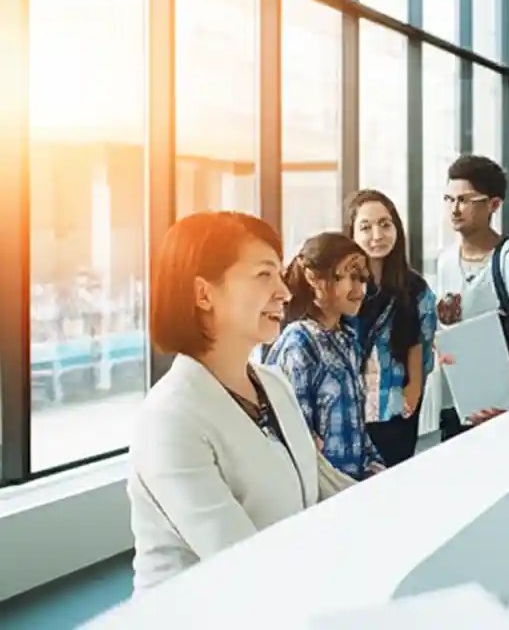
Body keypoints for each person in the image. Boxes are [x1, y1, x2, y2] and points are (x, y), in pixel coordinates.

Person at [127, 212, 355, 592]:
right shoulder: (169, 419)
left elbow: (326, 487)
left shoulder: (272, 384)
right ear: (204, 294)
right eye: (264, 275)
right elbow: (240, 565)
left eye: (279, 275)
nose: (284, 291)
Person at [434, 155, 509, 439]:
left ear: (493, 205)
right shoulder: (447, 261)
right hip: (458, 403)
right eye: (449, 199)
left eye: (465, 200)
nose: (455, 209)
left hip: (502, 411)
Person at [265, 232, 382, 481]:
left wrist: (377, 469)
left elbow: (358, 428)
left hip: (353, 488)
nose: (359, 290)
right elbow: (299, 445)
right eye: (349, 277)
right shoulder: (298, 344)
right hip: (324, 495)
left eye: (362, 278)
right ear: (313, 278)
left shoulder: (347, 339)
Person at [343, 189, 437, 467]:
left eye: (385, 224)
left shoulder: (416, 289)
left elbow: (422, 343)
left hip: (397, 410)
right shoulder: (343, 288)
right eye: (366, 227)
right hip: (350, 413)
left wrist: (415, 388)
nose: (377, 235)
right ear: (351, 233)